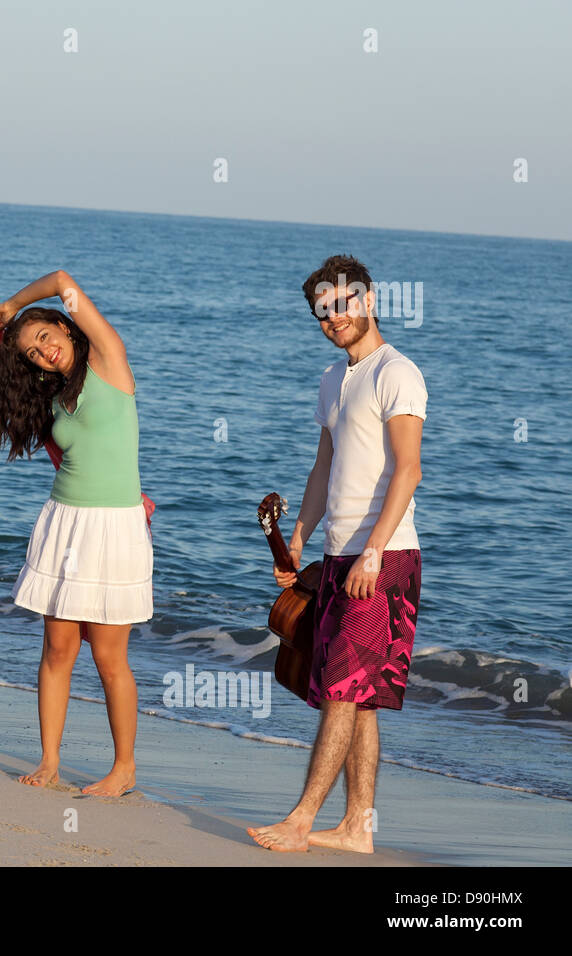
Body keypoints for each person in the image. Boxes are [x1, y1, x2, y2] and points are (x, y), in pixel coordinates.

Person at [248, 254, 425, 853]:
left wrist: (374, 552)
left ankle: (301, 820)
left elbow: (409, 471)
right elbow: (324, 469)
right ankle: (356, 828)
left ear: (369, 301)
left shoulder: (397, 373)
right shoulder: (332, 379)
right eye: (322, 310)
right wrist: (297, 538)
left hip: (384, 558)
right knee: (360, 699)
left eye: (343, 304)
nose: (333, 317)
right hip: (339, 556)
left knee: (342, 693)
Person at [0, 270, 152, 797]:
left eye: (46, 337)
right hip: (64, 521)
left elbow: (60, 279)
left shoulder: (109, 361)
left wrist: (10, 307)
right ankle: (50, 761)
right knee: (57, 650)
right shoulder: (53, 397)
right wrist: (4, 346)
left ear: (66, 326)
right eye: (32, 352)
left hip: (115, 528)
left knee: (108, 657)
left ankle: (124, 769)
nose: (42, 352)